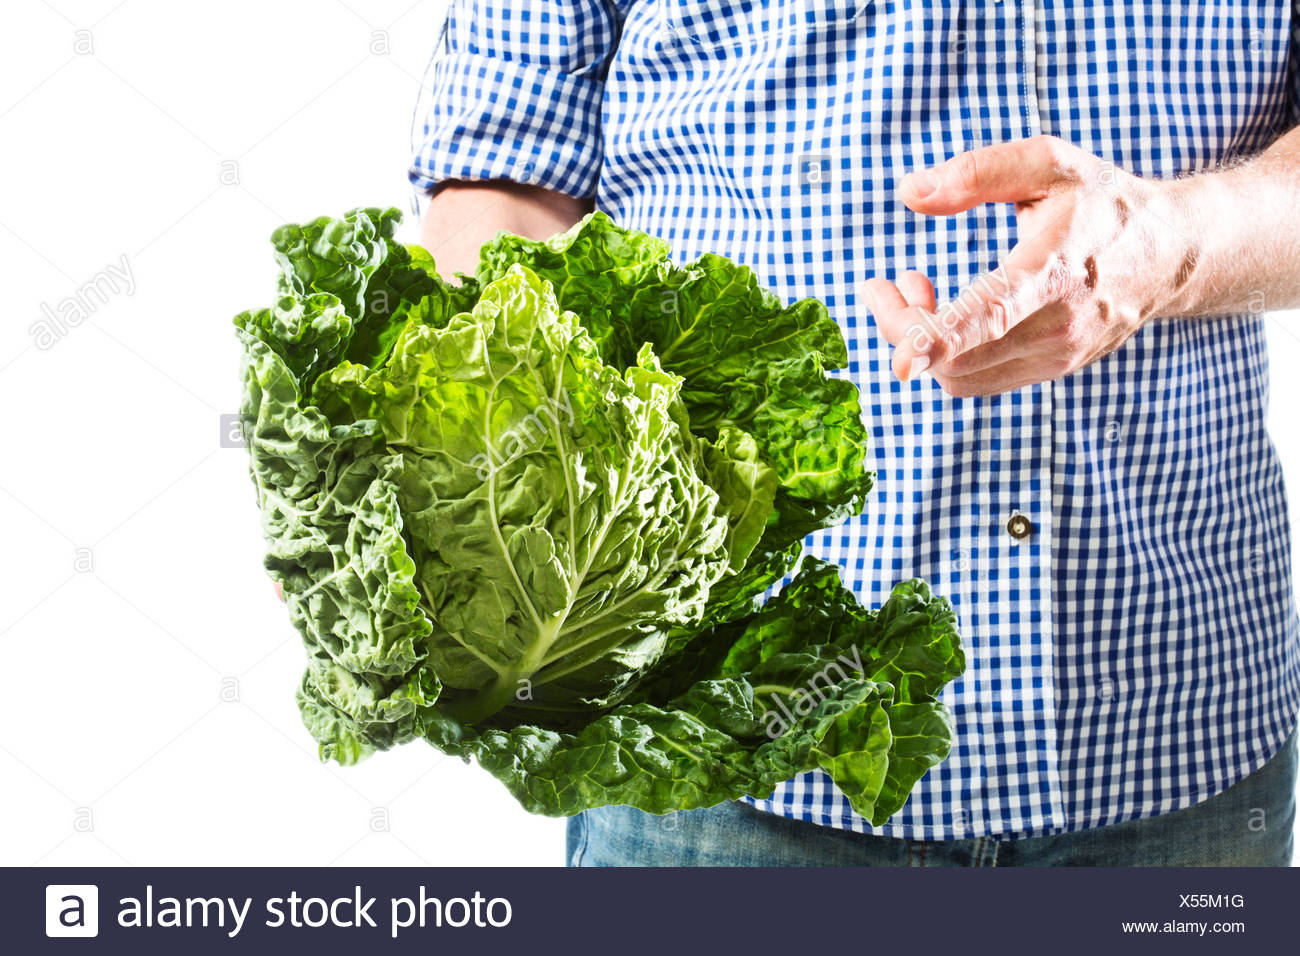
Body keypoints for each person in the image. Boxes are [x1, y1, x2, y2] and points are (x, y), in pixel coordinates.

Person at [409, 1, 1300, 866]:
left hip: (1179, 723)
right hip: (717, 758)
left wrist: (1168, 247)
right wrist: (488, 460)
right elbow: (507, 172)